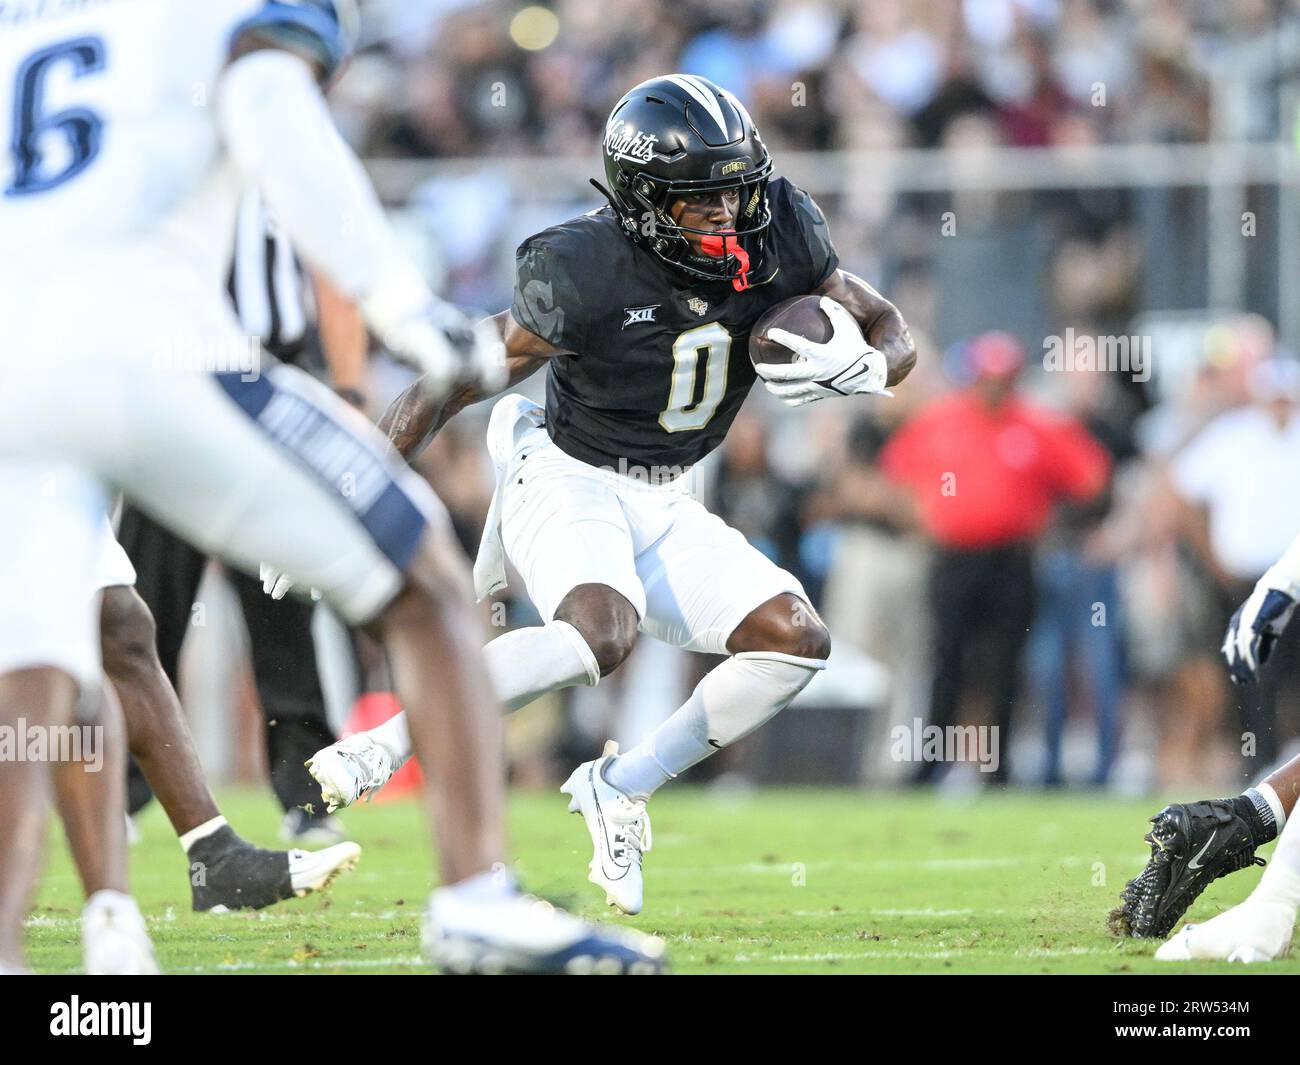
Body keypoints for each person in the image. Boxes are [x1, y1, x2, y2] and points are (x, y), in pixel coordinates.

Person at [0, 0, 662, 975]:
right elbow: (273, 102)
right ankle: (476, 896)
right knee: (423, 577)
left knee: (42, 662)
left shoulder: (29, 37)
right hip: (151, 348)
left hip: (16, 374)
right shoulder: (231, 17)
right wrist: (399, 302)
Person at [297, 74, 916, 916]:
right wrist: (351, 485)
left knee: (795, 640)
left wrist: (871, 365)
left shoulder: (784, 229)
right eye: (703, 202)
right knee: (601, 633)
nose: (731, 217)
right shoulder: (585, 266)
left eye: (737, 192)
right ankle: (383, 746)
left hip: (673, 493)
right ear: (644, 202)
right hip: (565, 471)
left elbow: (887, 325)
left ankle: (620, 786)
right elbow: (452, 379)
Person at [878, 332, 1110, 784]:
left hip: (1011, 560)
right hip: (955, 559)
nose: (995, 388)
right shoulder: (942, 420)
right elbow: (893, 475)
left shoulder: (1037, 425)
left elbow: (1092, 480)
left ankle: (997, 767)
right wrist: (923, 519)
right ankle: (932, 763)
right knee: (946, 660)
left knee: (1006, 664)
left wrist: (1052, 520)